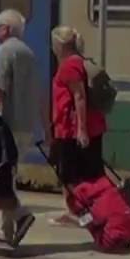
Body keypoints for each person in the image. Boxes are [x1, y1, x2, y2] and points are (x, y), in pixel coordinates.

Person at [0, 9, 37, 246]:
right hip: (25, 125)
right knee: (8, 175)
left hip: (7, 126)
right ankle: (5, 229)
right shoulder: (28, 53)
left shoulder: (4, 51)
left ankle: (21, 214)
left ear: (6, 29)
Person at [49, 26, 107, 189]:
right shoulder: (81, 62)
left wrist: (82, 130)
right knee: (90, 175)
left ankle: (74, 211)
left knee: (70, 178)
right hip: (88, 128)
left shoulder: (69, 66)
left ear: (59, 46)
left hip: (72, 131)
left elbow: (79, 96)